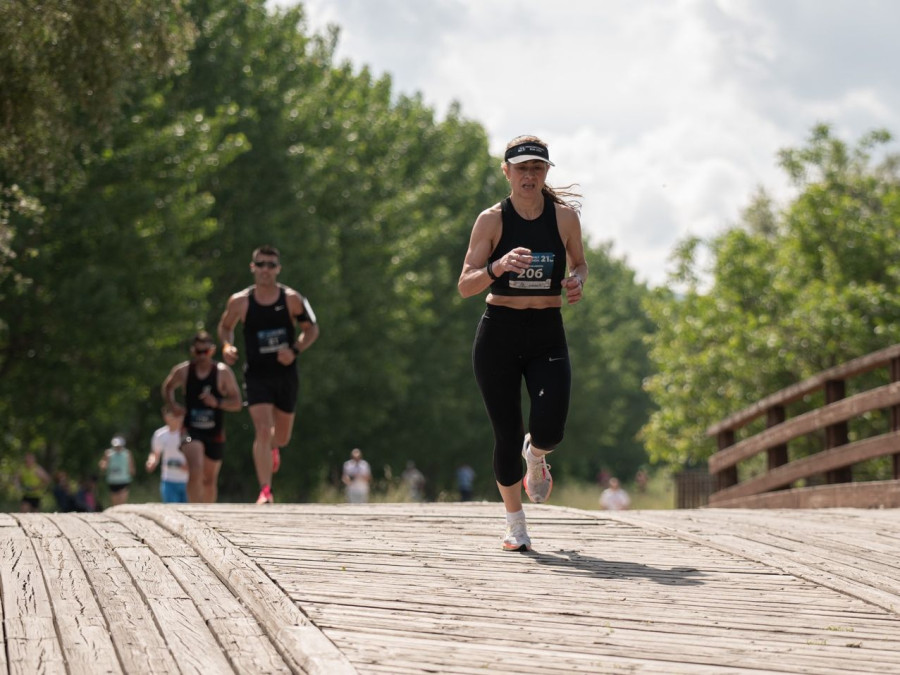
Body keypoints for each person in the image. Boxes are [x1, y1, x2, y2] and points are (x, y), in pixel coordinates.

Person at [458, 135, 587, 552]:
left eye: (537, 168)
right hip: (499, 332)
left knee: (551, 428)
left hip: (547, 328)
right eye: (521, 168)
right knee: (506, 434)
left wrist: (577, 281)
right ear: (506, 172)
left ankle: (538, 455)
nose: (529, 175)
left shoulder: (564, 218)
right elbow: (465, 285)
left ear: (547, 172)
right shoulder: (492, 220)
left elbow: (581, 263)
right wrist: (497, 266)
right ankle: (515, 524)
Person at [218, 245, 320, 505]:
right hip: (256, 375)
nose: (266, 270)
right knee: (262, 430)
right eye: (261, 264)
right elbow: (226, 327)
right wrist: (227, 346)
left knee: (281, 437)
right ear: (253, 268)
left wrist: (295, 350)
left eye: (271, 265)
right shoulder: (240, 301)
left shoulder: (292, 299)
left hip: (285, 374)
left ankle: (273, 448)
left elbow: (312, 330)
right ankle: (265, 490)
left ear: (278, 269)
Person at [161, 330, 242, 503]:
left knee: (209, 479)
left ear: (212, 350)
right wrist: (173, 406)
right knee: (196, 469)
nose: (202, 356)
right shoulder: (184, 371)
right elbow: (167, 387)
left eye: (205, 351)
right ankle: (194, 511)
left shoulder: (222, 372)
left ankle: (208, 515)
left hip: (215, 432)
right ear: (193, 351)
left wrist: (218, 402)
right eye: (198, 352)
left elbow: (237, 403)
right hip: (191, 430)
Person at [146, 405, 190, 503]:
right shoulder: (160, 435)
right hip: (169, 480)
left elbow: (195, 454)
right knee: (172, 510)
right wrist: (151, 461)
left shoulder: (188, 435)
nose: (175, 417)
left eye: (177, 414)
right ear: (165, 417)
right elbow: (155, 453)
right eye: (171, 415)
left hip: (187, 481)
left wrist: (190, 466)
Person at [99, 436, 136, 506]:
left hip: (124, 480)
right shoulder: (108, 453)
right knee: (115, 502)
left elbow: (131, 465)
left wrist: (132, 472)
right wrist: (103, 465)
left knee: (122, 500)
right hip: (113, 481)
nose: (118, 448)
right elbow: (102, 464)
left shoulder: (127, 453)